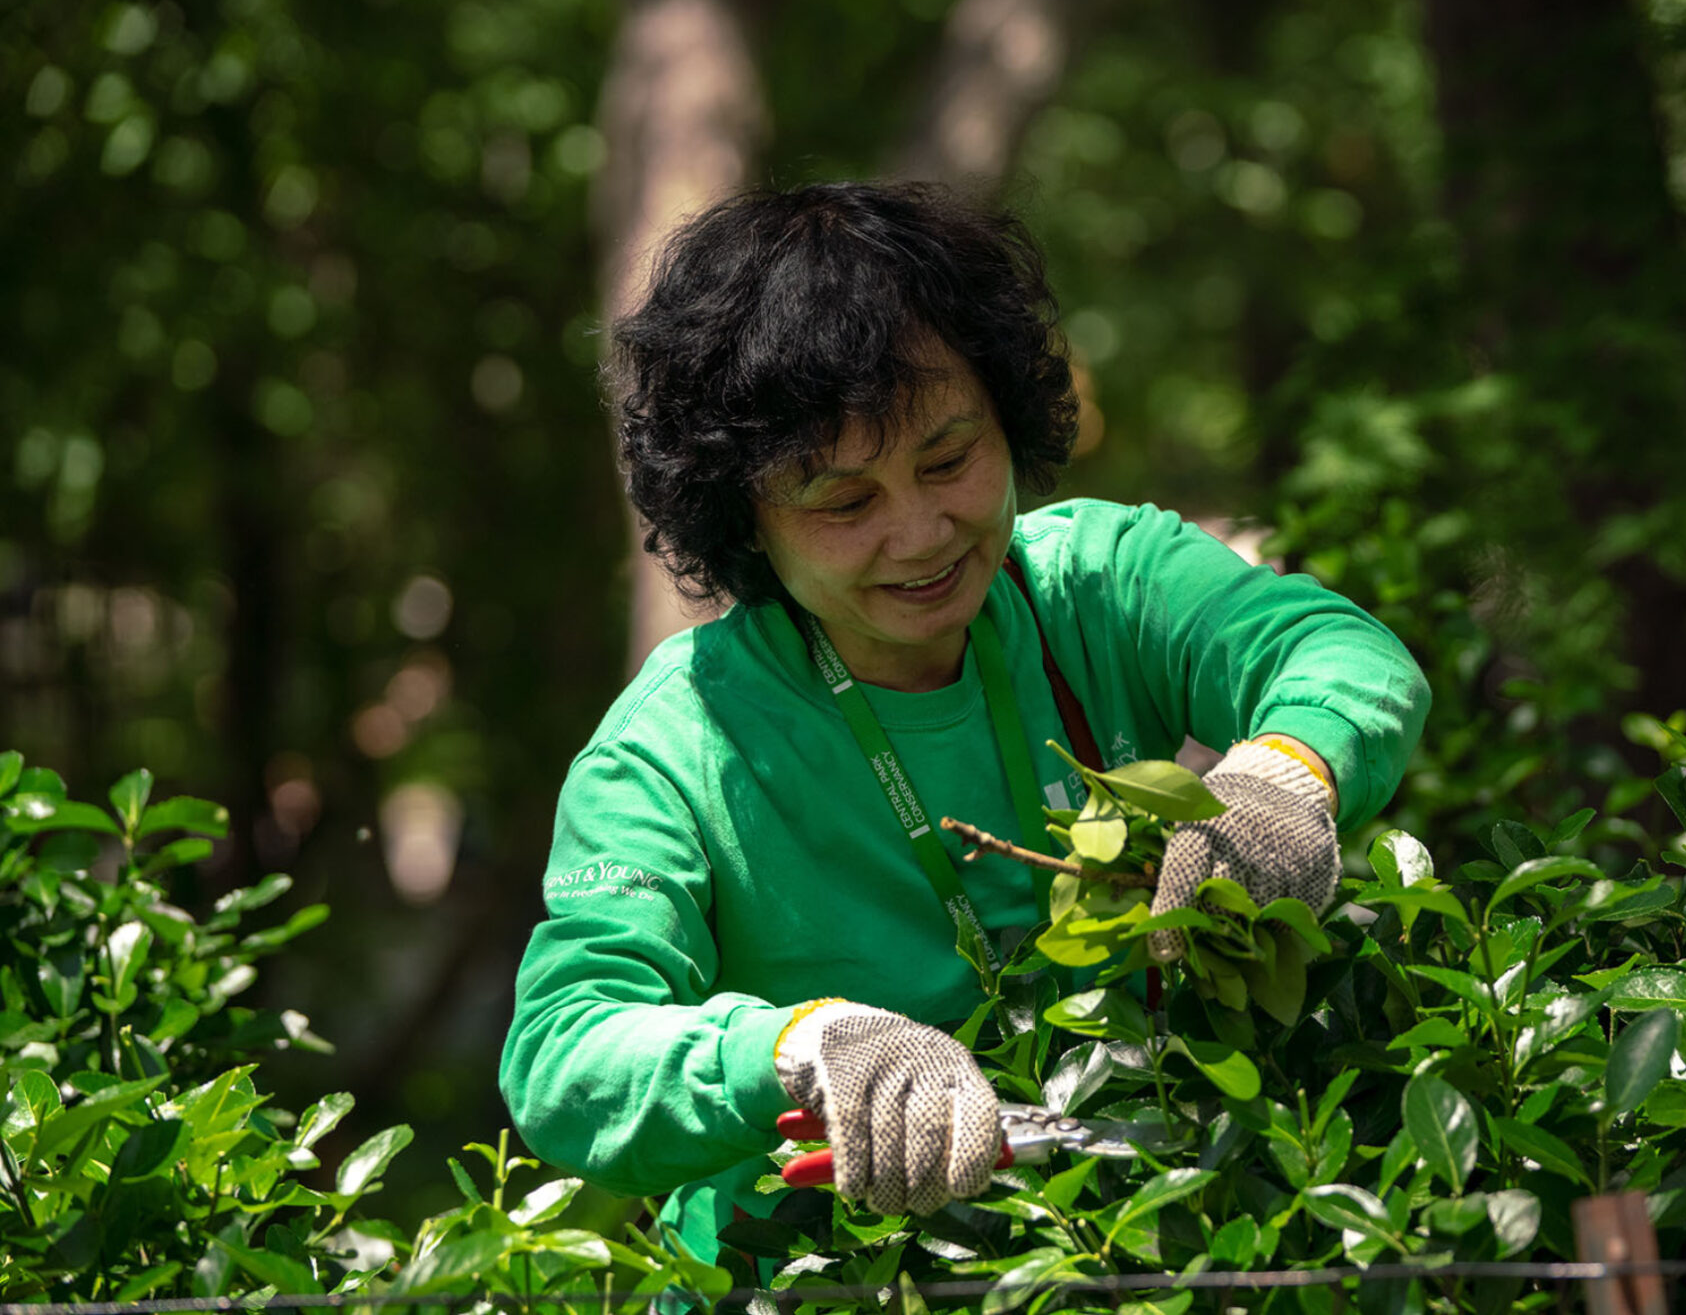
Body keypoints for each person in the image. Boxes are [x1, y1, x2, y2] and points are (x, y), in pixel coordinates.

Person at [500, 181, 1430, 1267]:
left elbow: (1339, 652)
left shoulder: (1097, 581)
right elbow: (566, 1050)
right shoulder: (675, 744)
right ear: (741, 513)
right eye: (843, 502)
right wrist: (799, 1045)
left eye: (948, 459)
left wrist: (1283, 774)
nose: (920, 532)